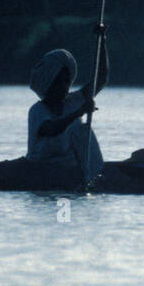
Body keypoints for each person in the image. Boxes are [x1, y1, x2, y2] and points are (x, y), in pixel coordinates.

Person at [27, 26, 108, 181]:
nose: (66, 86)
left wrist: (101, 41)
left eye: (67, 81)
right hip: (40, 168)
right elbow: (51, 129)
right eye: (60, 82)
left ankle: (94, 177)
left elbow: (101, 78)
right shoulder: (37, 110)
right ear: (49, 83)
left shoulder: (74, 101)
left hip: (70, 168)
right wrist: (79, 112)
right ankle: (89, 177)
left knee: (85, 131)